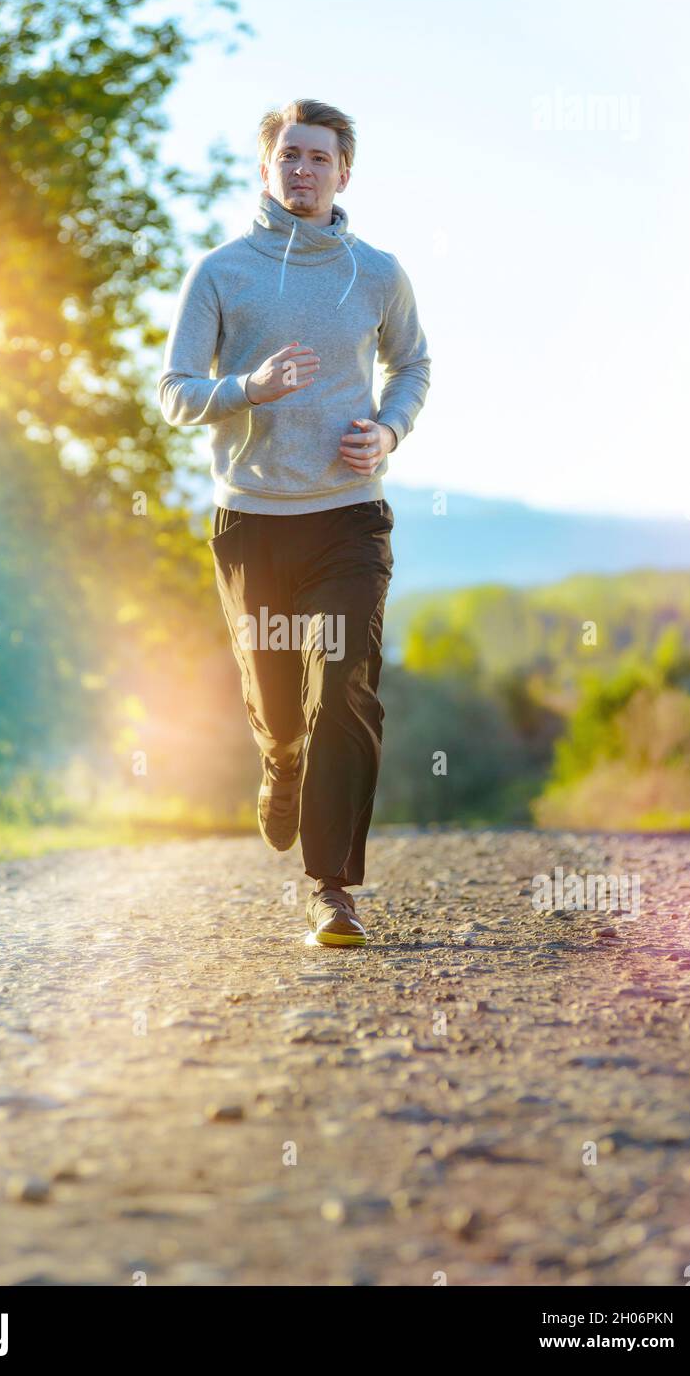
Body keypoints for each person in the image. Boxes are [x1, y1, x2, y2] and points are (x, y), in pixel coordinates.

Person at [159, 99, 431, 946]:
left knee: (344, 689)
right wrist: (250, 389)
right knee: (282, 709)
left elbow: (413, 364)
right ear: (267, 167)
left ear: (344, 172)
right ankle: (278, 760)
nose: (303, 170)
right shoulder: (221, 272)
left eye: (319, 157)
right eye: (289, 156)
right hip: (252, 524)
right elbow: (175, 392)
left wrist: (387, 428)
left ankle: (331, 890)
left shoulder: (377, 272)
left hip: (348, 520)